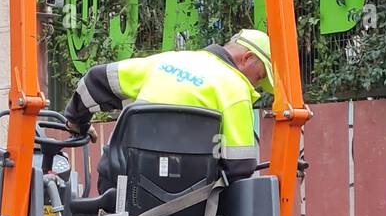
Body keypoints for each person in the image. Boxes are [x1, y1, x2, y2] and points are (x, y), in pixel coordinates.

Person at [63, 28, 276, 168]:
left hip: (122, 188)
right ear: (247, 59)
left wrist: (76, 121)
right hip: (193, 211)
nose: (255, 86)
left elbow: (95, 80)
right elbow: (240, 167)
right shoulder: (236, 89)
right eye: (259, 77)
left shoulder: (167, 61)